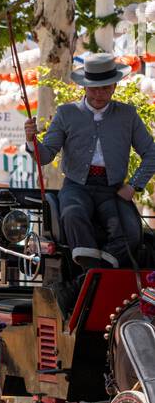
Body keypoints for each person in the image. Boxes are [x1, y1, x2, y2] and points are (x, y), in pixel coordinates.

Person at [24, 52, 155, 269]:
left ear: (114, 86)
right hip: (76, 187)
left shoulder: (128, 115)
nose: (100, 94)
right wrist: (31, 141)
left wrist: (133, 185)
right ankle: (91, 268)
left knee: (132, 232)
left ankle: (102, 266)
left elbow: (151, 153)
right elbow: (45, 156)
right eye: (94, 88)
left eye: (106, 87)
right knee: (73, 215)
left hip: (112, 189)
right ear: (84, 87)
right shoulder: (66, 113)